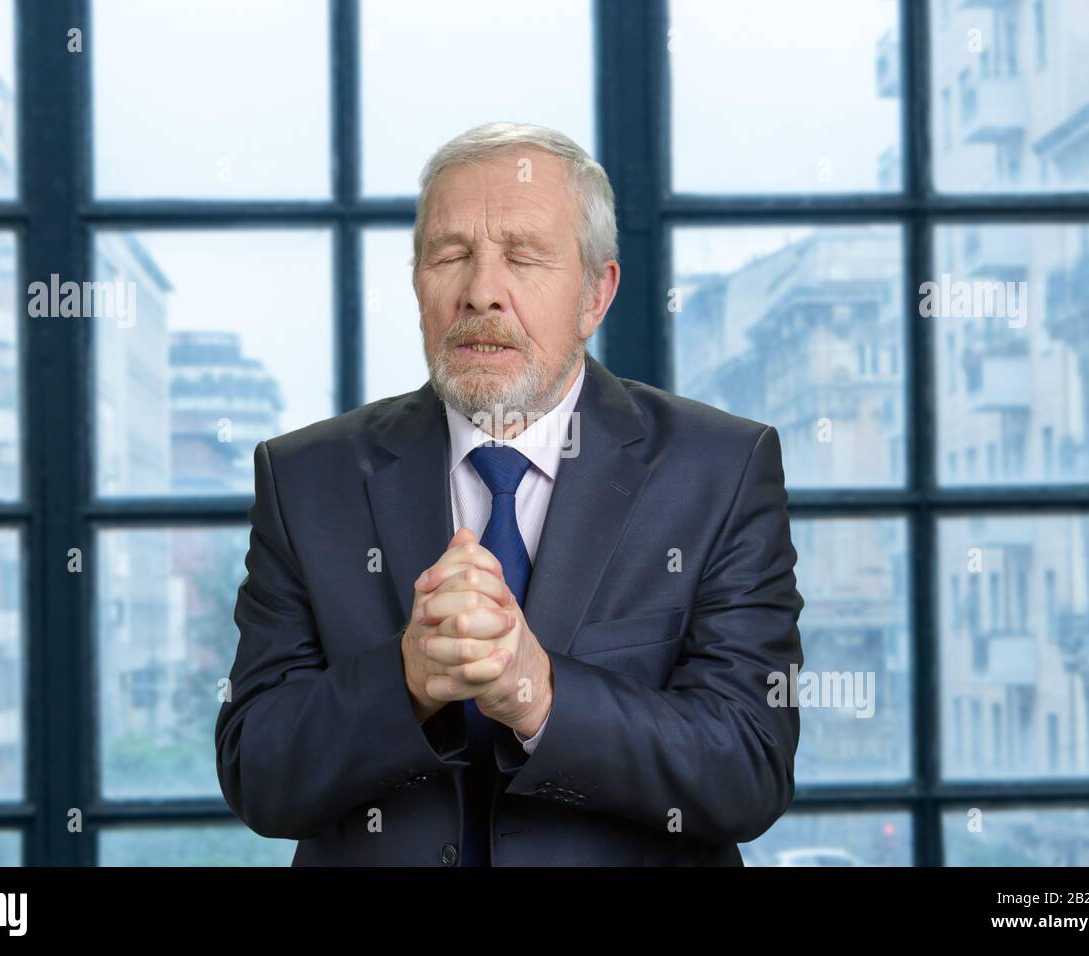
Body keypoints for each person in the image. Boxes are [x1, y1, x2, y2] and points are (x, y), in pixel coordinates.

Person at [215, 121, 805, 866]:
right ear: (418, 284)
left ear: (597, 293)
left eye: (523, 258)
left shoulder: (721, 469)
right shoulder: (305, 478)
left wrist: (540, 693)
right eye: (450, 255)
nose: (481, 292)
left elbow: (748, 770)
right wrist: (407, 678)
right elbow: (258, 773)